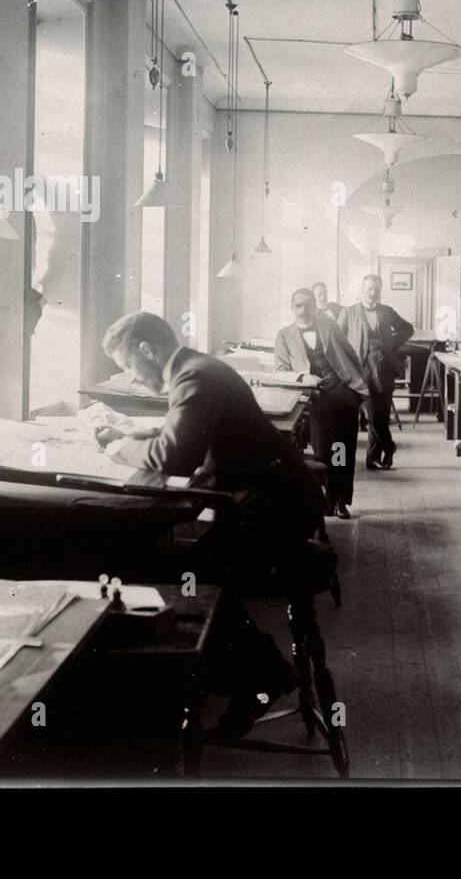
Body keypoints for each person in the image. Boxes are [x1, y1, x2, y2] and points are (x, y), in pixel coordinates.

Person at [94, 311, 325, 739]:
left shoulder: (194, 376)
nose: (131, 377)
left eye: (128, 366)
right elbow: (186, 433)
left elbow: (176, 456)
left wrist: (119, 450)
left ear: (147, 349)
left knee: (189, 580)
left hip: (277, 510)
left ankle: (263, 675)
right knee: (188, 571)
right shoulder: (195, 367)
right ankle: (258, 671)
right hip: (272, 501)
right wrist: (142, 436)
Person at [273, 288, 369, 519]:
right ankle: (326, 499)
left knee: (342, 451)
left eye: (308, 304)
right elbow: (280, 370)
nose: (303, 309)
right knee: (323, 453)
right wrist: (304, 378)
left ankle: (341, 501)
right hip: (316, 400)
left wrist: (357, 382)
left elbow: (351, 354)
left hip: (344, 397)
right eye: (298, 305)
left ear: (315, 306)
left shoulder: (329, 325)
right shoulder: (284, 335)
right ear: (292, 307)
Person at [338, 274, 415, 470]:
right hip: (360, 370)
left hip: (384, 370)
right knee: (371, 414)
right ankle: (389, 446)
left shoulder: (387, 311)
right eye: (369, 289)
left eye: (376, 289)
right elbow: (337, 339)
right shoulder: (349, 312)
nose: (373, 293)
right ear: (362, 290)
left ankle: (373, 458)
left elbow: (407, 329)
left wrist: (391, 344)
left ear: (380, 291)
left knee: (381, 414)